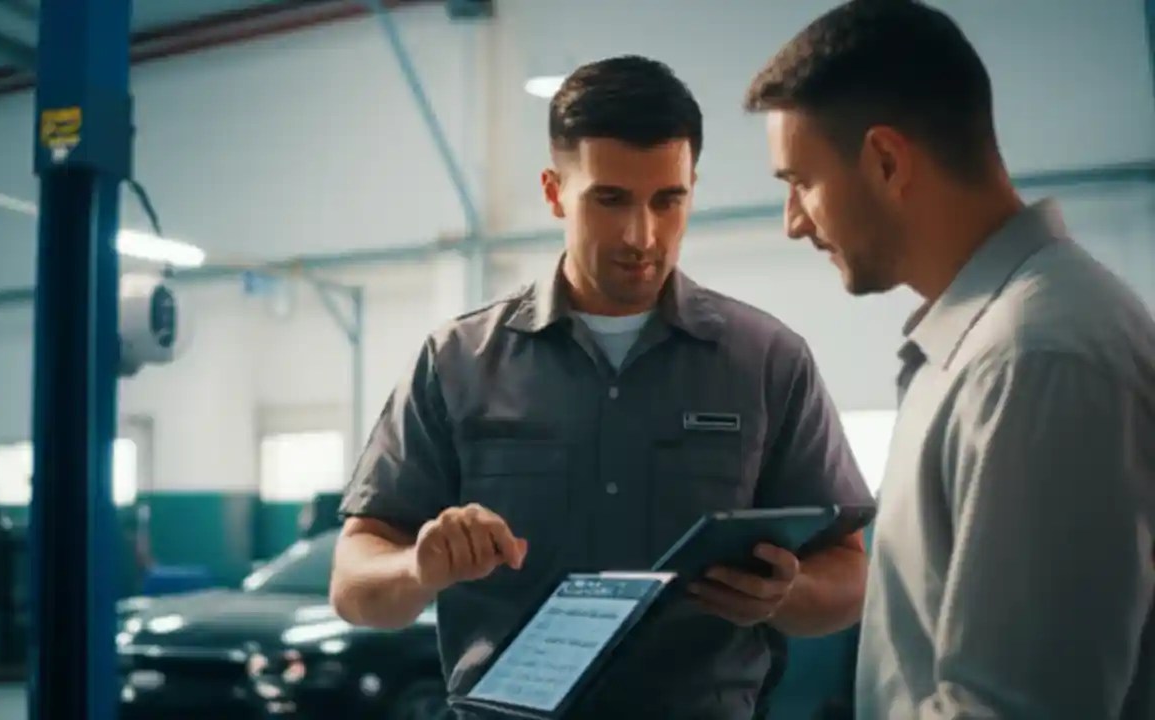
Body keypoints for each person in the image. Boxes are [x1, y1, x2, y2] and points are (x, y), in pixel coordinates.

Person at [330, 54, 873, 719]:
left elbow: (849, 574)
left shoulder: (768, 361)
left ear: (692, 187)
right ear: (556, 190)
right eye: (609, 199)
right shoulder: (458, 362)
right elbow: (354, 585)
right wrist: (421, 566)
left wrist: (785, 596)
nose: (641, 236)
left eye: (667, 200)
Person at [743, 1, 1155, 718]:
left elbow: (1012, 709)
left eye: (799, 182)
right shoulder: (977, 350)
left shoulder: (1035, 357)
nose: (793, 223)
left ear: (886, 161)